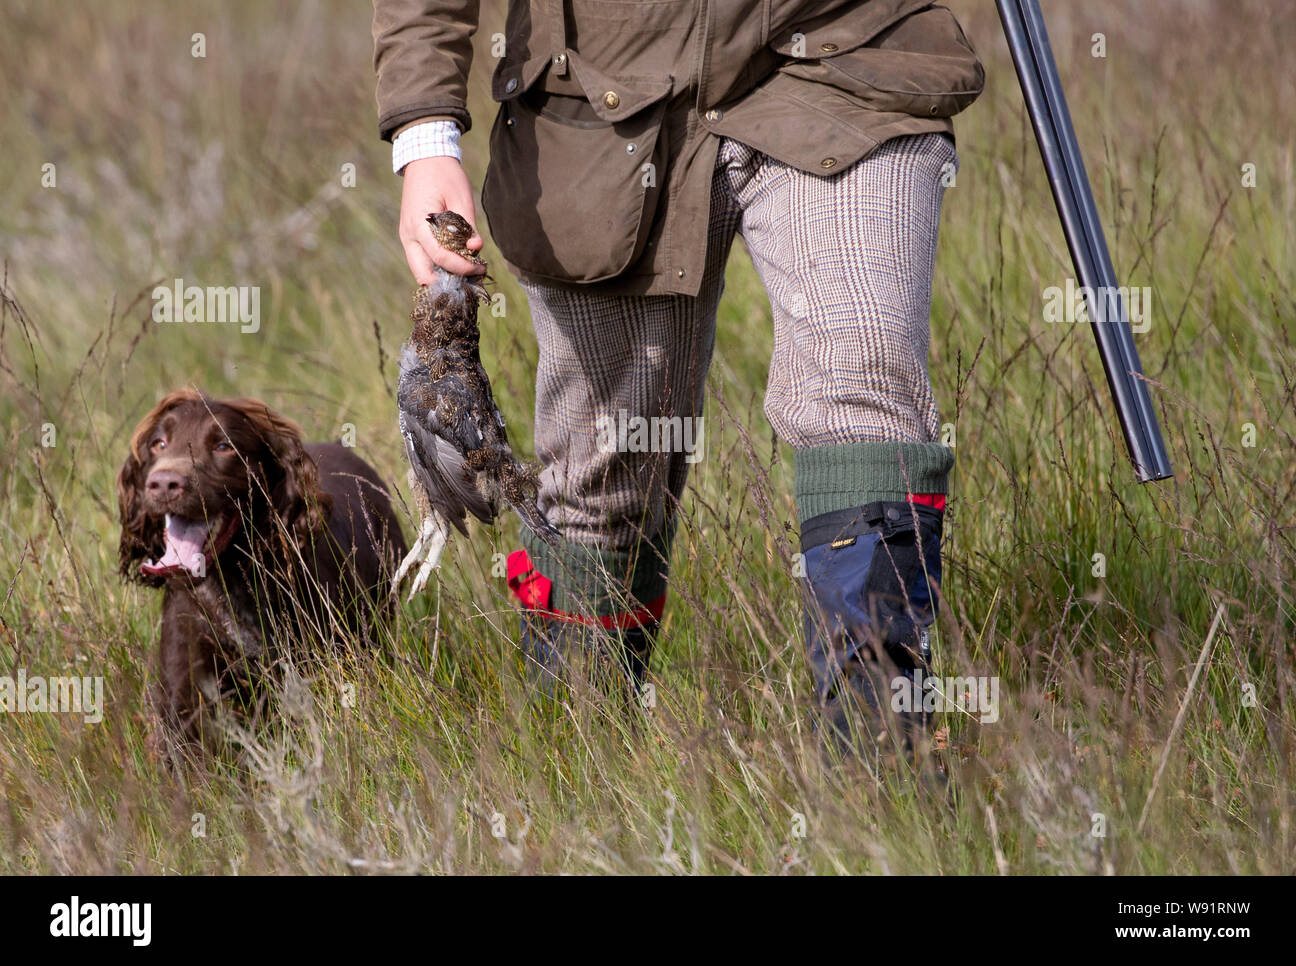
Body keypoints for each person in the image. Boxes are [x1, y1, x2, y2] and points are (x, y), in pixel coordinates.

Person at [373, 0, 984, 742]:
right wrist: (426, 133)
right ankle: (577, 777)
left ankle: (882, 777)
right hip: (601, 101)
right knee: (606, 481)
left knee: (866, 390)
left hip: (845, 58)